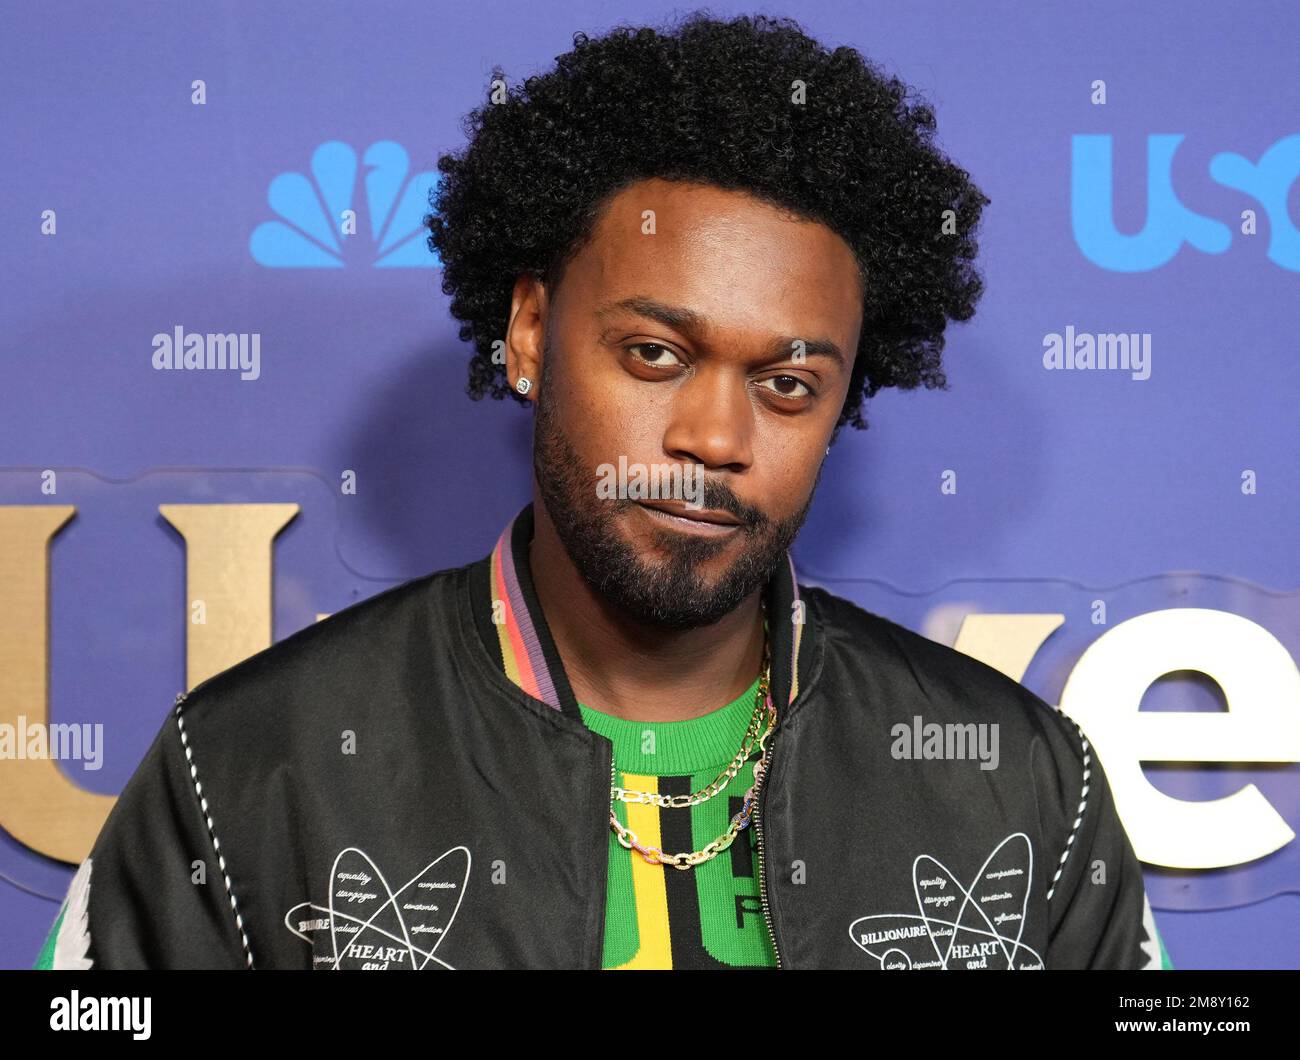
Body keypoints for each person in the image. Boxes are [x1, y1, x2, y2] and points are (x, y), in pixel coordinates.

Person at [35, 11, 1171, 970]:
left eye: (785, 382)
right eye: (653, 356)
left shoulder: (1024, 791)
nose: (713, 436)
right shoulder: (249, 767)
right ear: (530, 332)